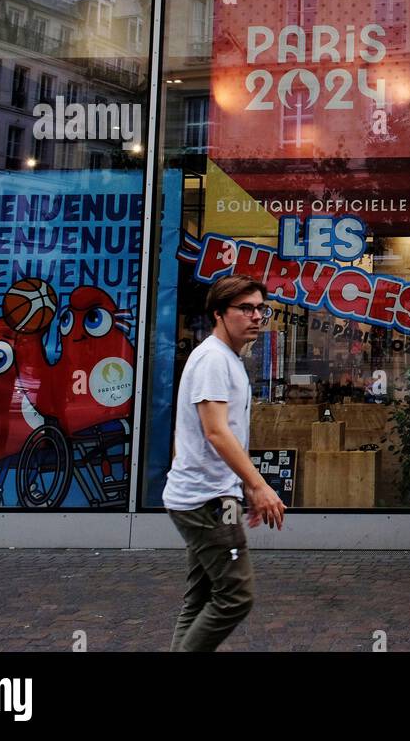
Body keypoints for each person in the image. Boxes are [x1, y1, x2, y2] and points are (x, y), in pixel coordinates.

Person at [162, 275, 286, 652]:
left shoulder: (225, 358)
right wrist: (259, 485)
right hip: (206, 503)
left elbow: (210, 436)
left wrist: (242, 488)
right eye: (244, 308)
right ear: (218, 313)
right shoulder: (213, 359)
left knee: (200, 598)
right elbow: (216, 432)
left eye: (260, 309)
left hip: (214, 497)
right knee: (235, 595)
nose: (255, 316)